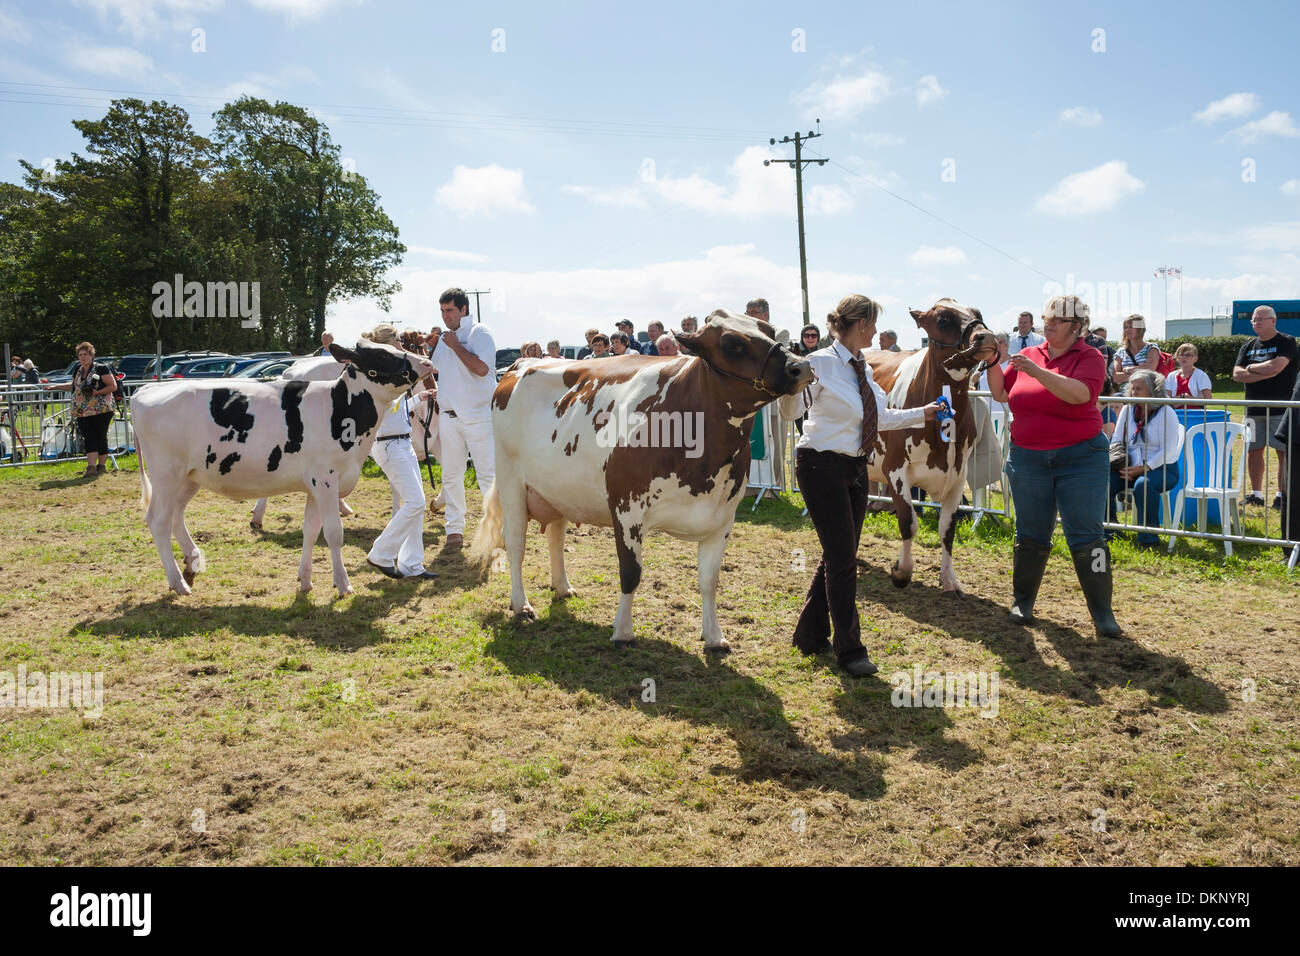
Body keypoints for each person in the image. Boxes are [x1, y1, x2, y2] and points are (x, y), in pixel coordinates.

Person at [777, 294, 941, 677]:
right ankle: (849, 650)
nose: (874, 331)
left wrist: (925, 413)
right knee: (842, 559)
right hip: (819, 464)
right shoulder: (817, 364)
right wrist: (789, 388)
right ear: (858, 325)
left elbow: (881, 417)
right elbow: (790, 414)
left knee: (840, 553)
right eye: (871, 324)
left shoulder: (861, 369)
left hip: (854, 468)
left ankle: (808, 635)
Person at [985, 295, 1119, 637]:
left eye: (1058, 320)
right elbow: (1002, 394)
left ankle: (1103, 612)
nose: (1049, 324)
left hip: (1081, 458)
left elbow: (1080, 395)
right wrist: (991, 362)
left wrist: (1037, 372)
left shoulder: (1090, 356)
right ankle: (1022, 601)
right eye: (1048, 318)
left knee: (1088, 535)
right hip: (1028, 456)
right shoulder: (1028, 355)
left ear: (1077, 328)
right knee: (1029, 532)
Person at [359, 325, 438, 581]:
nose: (402, 347)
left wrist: (419, 397)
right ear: (389, 344)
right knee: (415, 502)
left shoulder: (388, 372)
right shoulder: (379, 374)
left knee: (417, 504)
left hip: (402, 442)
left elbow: (397, 408)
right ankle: (381, 553)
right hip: (389, 445)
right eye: (398, 342)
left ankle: (412, 564)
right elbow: (388, 406)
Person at [431, 287, 497, 550]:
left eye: (450, 310)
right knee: (451, 475)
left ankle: (496, 529)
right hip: (449, 417)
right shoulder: (446, 339)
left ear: (464, 310)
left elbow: (482, 369)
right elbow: (435, 370)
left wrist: (456, 346)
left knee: (487, 476)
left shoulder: (479, 333)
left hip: (479, 416)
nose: (446, 316)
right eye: (442, 311)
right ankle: (454, 531)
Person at [1107, 370, 1182, 550]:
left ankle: (1148, 538)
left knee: (1143, 485)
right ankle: (1109, 530)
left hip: (1162, 469)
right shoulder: (1127, 409)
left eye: (1139, 388)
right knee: (1103, 481)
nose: (1133, 392)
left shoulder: (1166, 412)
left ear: (1153, 390)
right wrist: (1126, 464)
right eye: (1132, 387)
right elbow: (1117, 440)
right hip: (1129, 467)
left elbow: (1168, 450)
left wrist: (1144, 468)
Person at [1233, 305, 1297, 509]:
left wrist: (1250, 369)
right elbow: (1236, 374)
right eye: (1254, 320)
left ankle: (1281, 495)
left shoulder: (1286, 341)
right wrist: (1266, 370)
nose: (1256, 323)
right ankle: (1256, 494)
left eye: (1261, 319)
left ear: (1273, 321)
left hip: (1281, 409)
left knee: (1282, 453)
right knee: (1253, 450)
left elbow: (1278, 367)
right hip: (1253, 409)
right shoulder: (1248, 346)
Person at [50, 342, 119, 478]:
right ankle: (91, 467)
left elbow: (113, 386)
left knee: (100, 436)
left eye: (85, 354)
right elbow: (74, 386)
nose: (82, 357)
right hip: (82, 411)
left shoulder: (101, 369)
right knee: (88, 437)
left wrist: (96, 392)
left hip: (101, 410)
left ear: (92, 355)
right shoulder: (78, 369)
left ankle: (101, 466)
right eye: (80, 355)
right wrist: (54, 387)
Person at [1111, 314, 1160, 387]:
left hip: (1146, 393)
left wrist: (1128, 370)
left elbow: (1150, 372)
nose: (1127, 330)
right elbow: (1115, 377)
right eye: (1125, 327)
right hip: (1124, 393)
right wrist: (1141, 369)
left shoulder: (1151, 348)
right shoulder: (1121, 351)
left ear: (1140, 329)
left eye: (1131, 327)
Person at [1165, 343, 1212, 409]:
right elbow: (1167, 400)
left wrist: (1186, 399)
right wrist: (1184, 398)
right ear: (1177, 357)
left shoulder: (1201, 375)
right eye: (1181, 354)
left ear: (1195, 358)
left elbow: (1208, 399)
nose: (1184, 357)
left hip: (1196, 415)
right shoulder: (1171, 376)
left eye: (1188, 355)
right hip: (1175, 415)